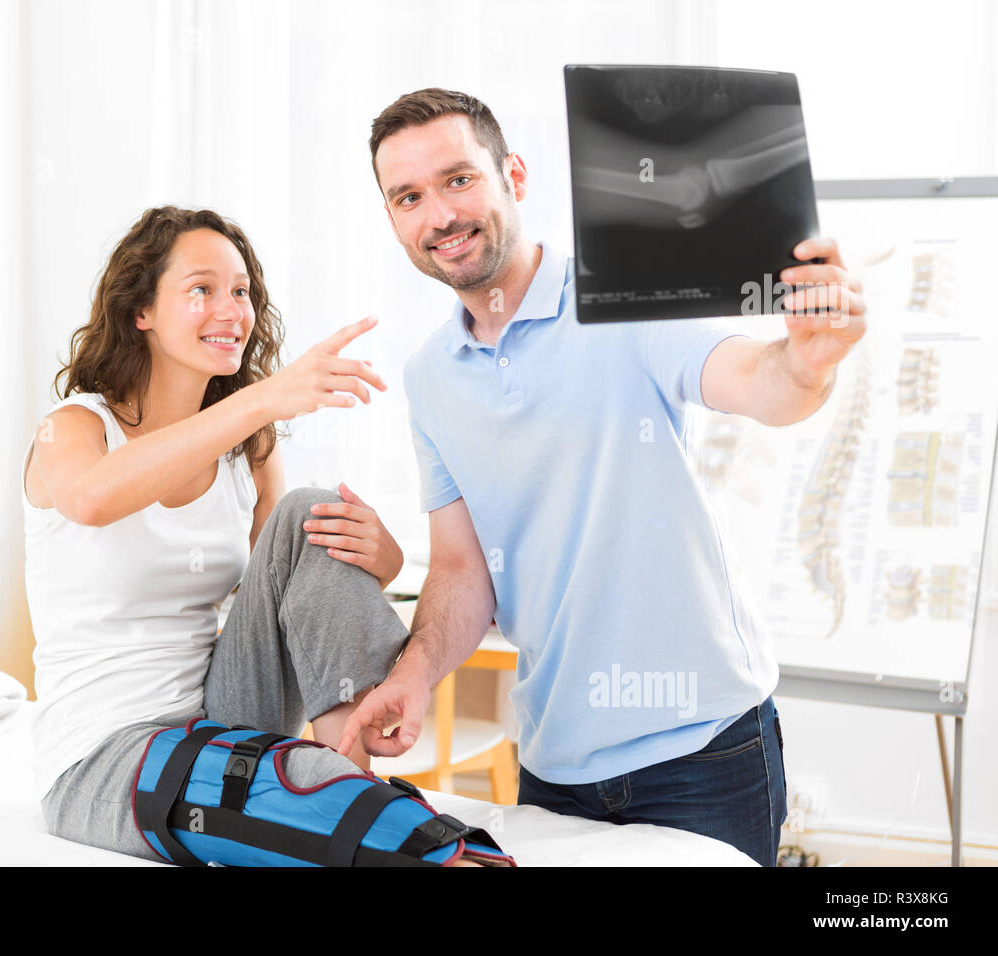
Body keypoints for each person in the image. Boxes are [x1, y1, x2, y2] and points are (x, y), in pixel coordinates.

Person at [337, 88, 867, 867]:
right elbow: (461, 567)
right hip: (553, 765)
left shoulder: (623, 298)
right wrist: (414, 677)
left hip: (702, 755)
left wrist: (807, 363)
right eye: (409, 197)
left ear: (514, 175)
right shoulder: (429, 378)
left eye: (459, 180)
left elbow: (758, 381)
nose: (440, 215)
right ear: (393, 220)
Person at [20, 204, 500, 866]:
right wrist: (265, 398)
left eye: (241, 291)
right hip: (102, 754)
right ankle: (362, 814)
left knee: (314, 513)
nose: (232, 310)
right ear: (141, 313)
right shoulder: (73, 427)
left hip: (223, 713)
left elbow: (290, 595)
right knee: (295, 790)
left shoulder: (247, 445)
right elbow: (93, 498)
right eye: (201, 290)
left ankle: (353, 768)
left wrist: (382, 563)